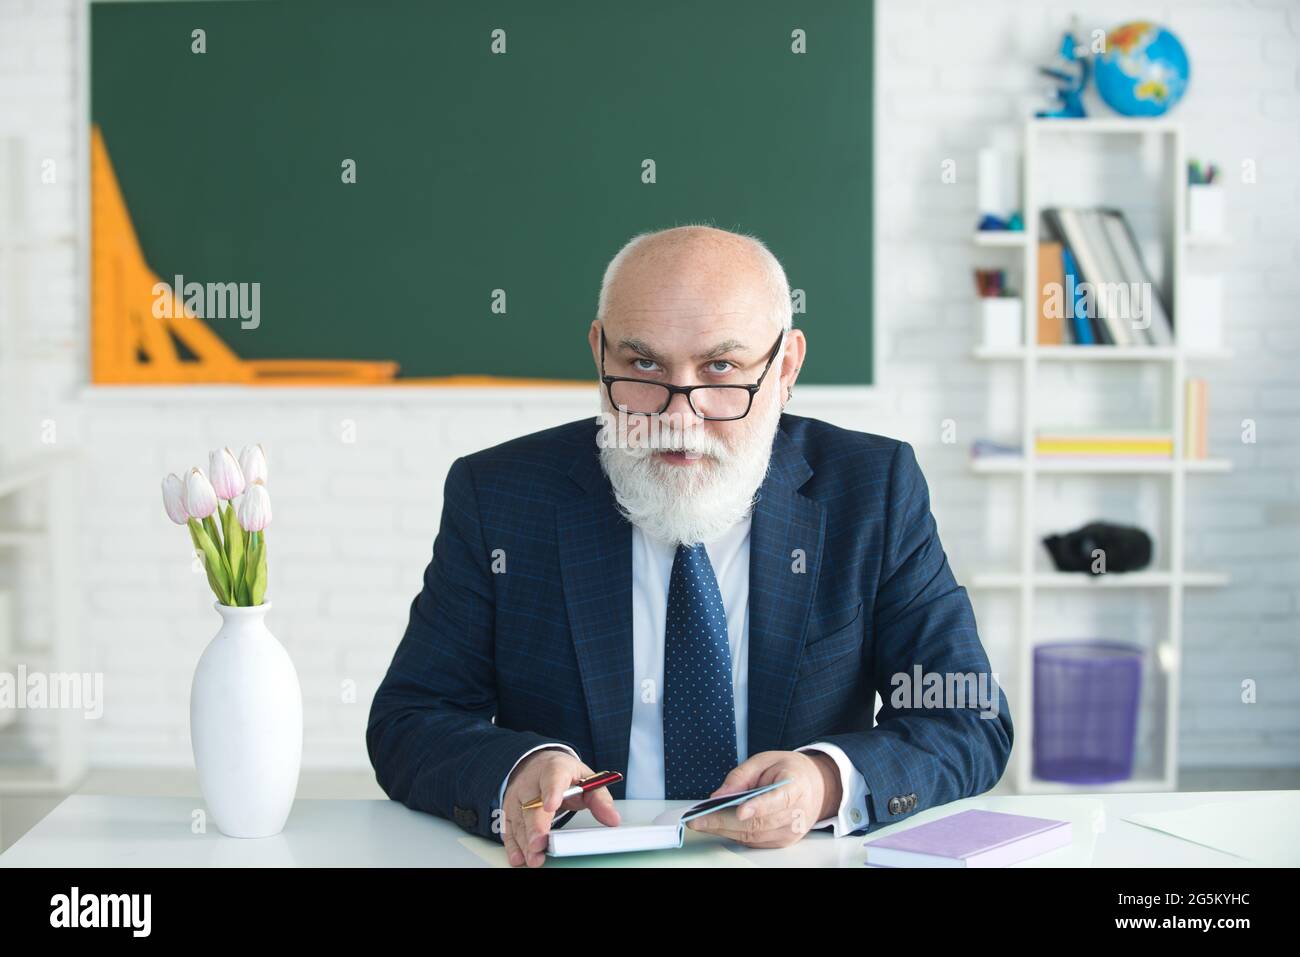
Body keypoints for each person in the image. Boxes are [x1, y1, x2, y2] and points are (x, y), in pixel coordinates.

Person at [367, 225, 1012, 867]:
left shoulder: (873, 490)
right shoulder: (500, 497)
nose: (680, 416)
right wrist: (518, 770)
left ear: (785, 368)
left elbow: (967, 715)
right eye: (643, 365)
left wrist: (825, 783)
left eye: (721, 368)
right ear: (600, 355)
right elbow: (410, 717)